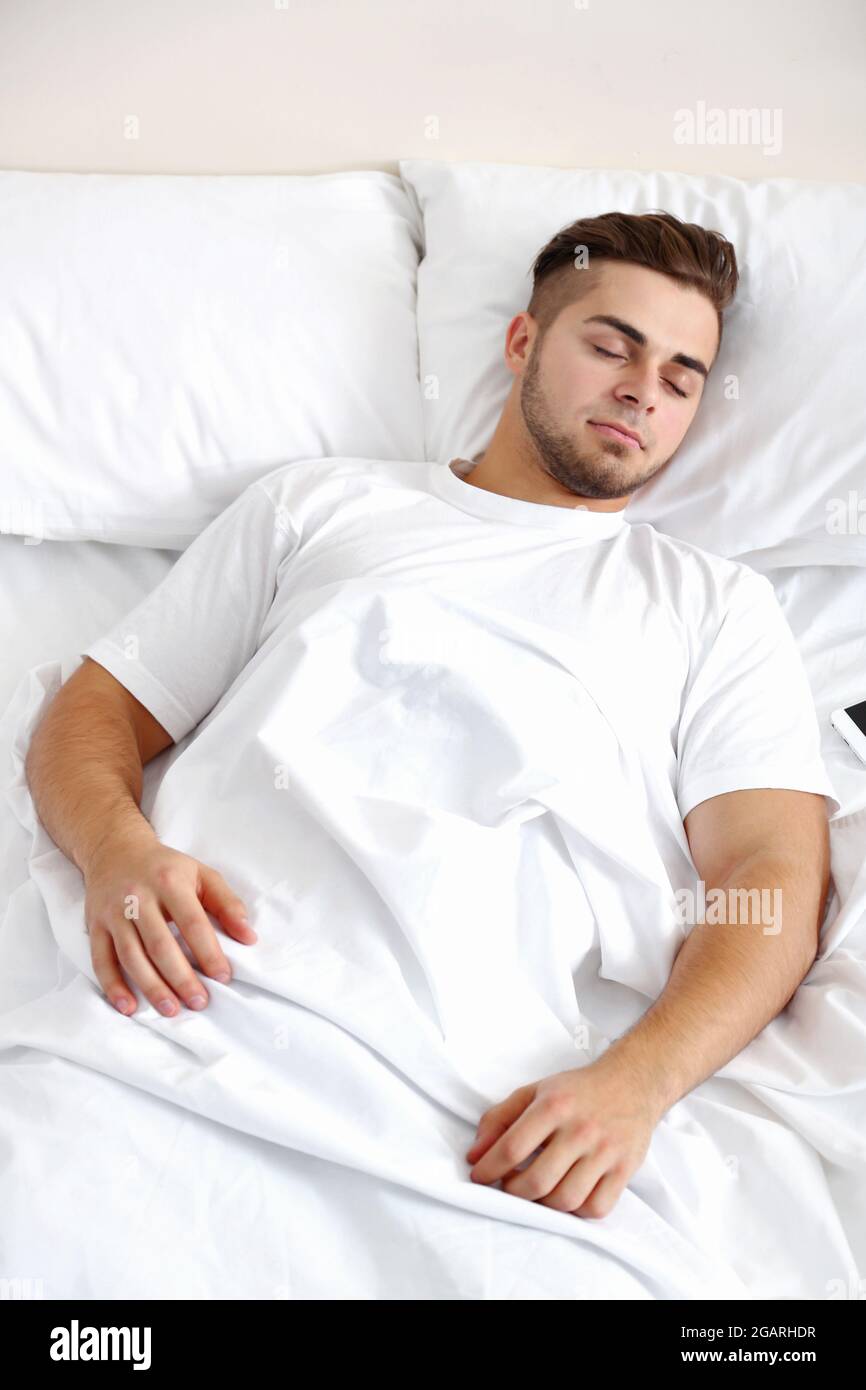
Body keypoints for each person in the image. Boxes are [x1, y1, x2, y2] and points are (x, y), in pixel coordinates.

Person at [24, 211, 838, 1220]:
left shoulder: (710, 603)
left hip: (487, 1124)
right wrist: (115, 854)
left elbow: (768, 873)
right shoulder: (318, 506)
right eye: (609, 345)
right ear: (520, 341)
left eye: (679, 378)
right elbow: (98, 705)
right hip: (189, 1022)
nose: (641, 389)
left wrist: (639, 1085)